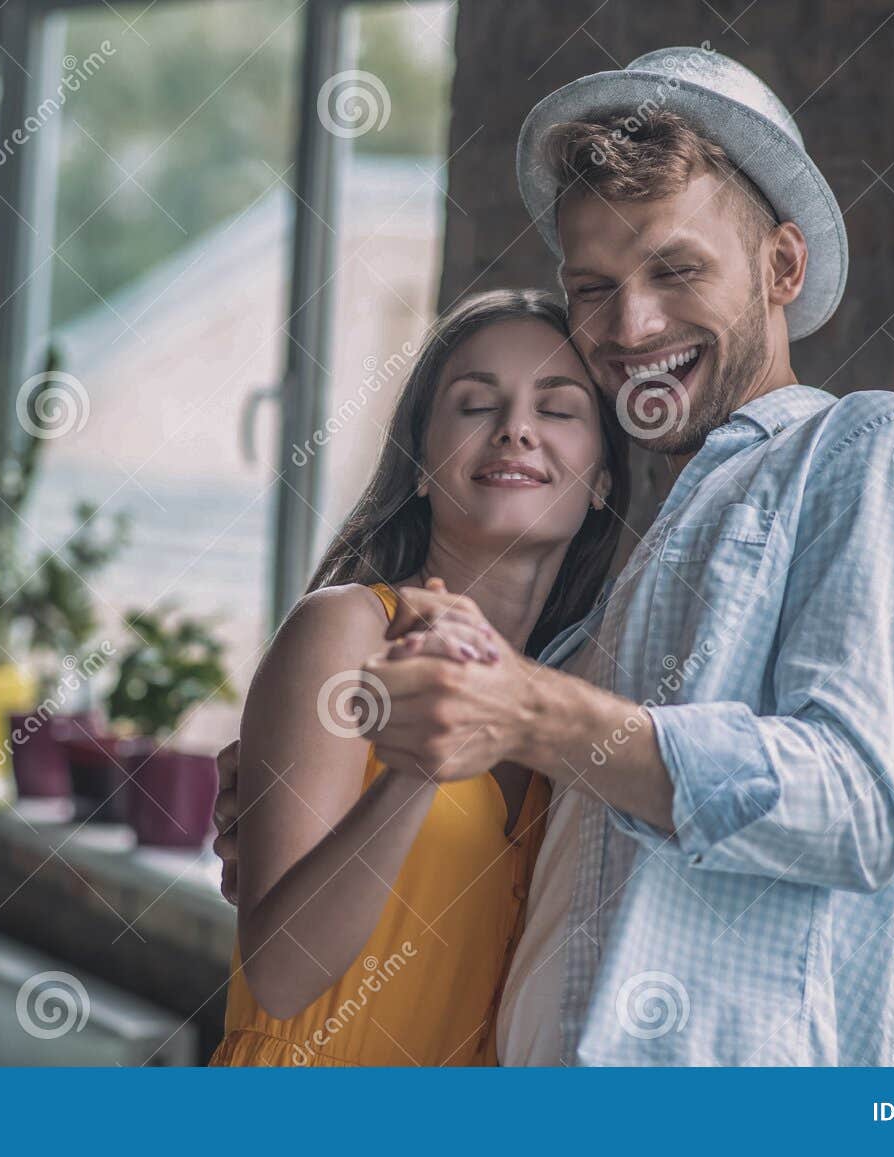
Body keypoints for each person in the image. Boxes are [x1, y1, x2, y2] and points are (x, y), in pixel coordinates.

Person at [219, 46, 894, 1066]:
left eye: (675, 269)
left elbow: (861, 807)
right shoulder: (606, 613)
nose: (630, 324)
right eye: (592, 286)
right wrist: (303, 766)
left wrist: (531, 712)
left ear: (783, 266)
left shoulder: (869, 450)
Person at [207, 288, 628, 1066]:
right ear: (423, 467)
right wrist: (415, 769)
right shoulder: (347, 632)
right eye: (476, 404)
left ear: (602, 481)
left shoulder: (580, 705)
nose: (516, 428)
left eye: (559, 409)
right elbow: (283, 972)